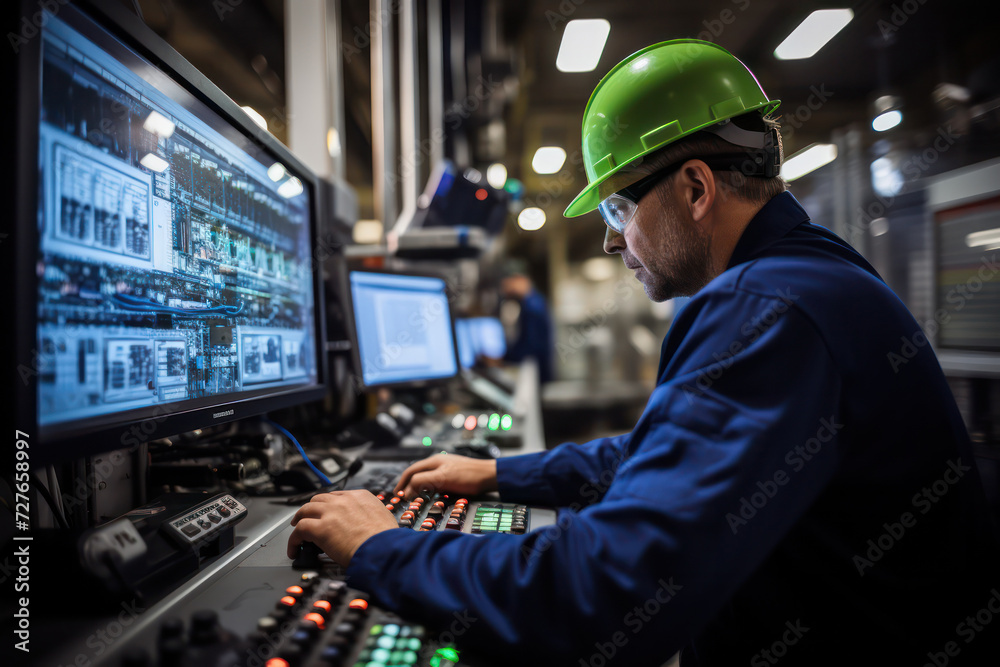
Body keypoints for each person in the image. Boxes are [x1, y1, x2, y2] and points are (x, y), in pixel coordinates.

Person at [288, 40, 1000, 664]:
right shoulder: (808, 273)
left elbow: (601, 598)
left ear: (693, 187)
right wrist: (502, 472)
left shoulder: (764, 306)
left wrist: (384, 546)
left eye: (616, 210)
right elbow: (672, 449)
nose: (609, 241)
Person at [499, 271, 555, 383]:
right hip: (538, 365)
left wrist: (506, 358)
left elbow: (531, 343)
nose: (507, 290)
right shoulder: (533, 302)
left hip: (538, 367)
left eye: (509, 285)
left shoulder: (533, 307)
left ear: (521, 281)